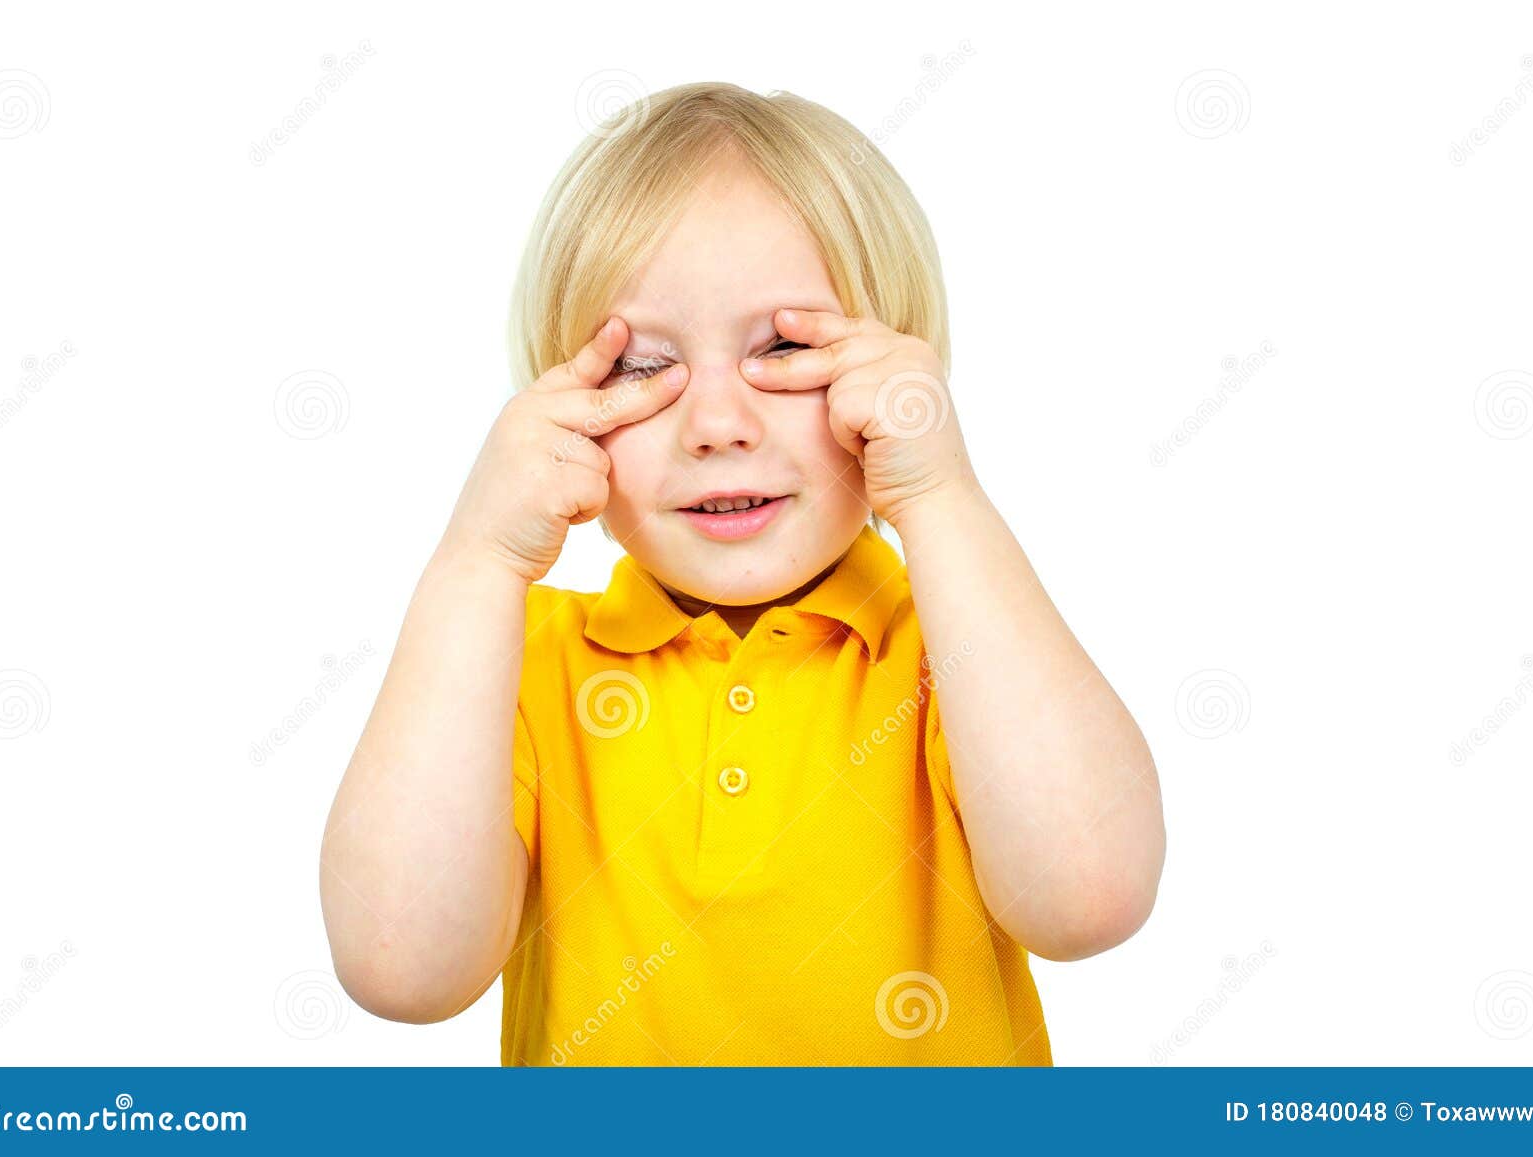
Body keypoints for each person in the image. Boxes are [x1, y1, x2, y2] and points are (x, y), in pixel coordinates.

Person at [320, 81, 1165, 1065]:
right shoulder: (512, 665)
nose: (718, 426)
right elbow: (400, 969)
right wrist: (475, 563)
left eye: (788, 347)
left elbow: (1091, 900)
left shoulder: (964, 654)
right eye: (638, 366)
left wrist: (939, 494)